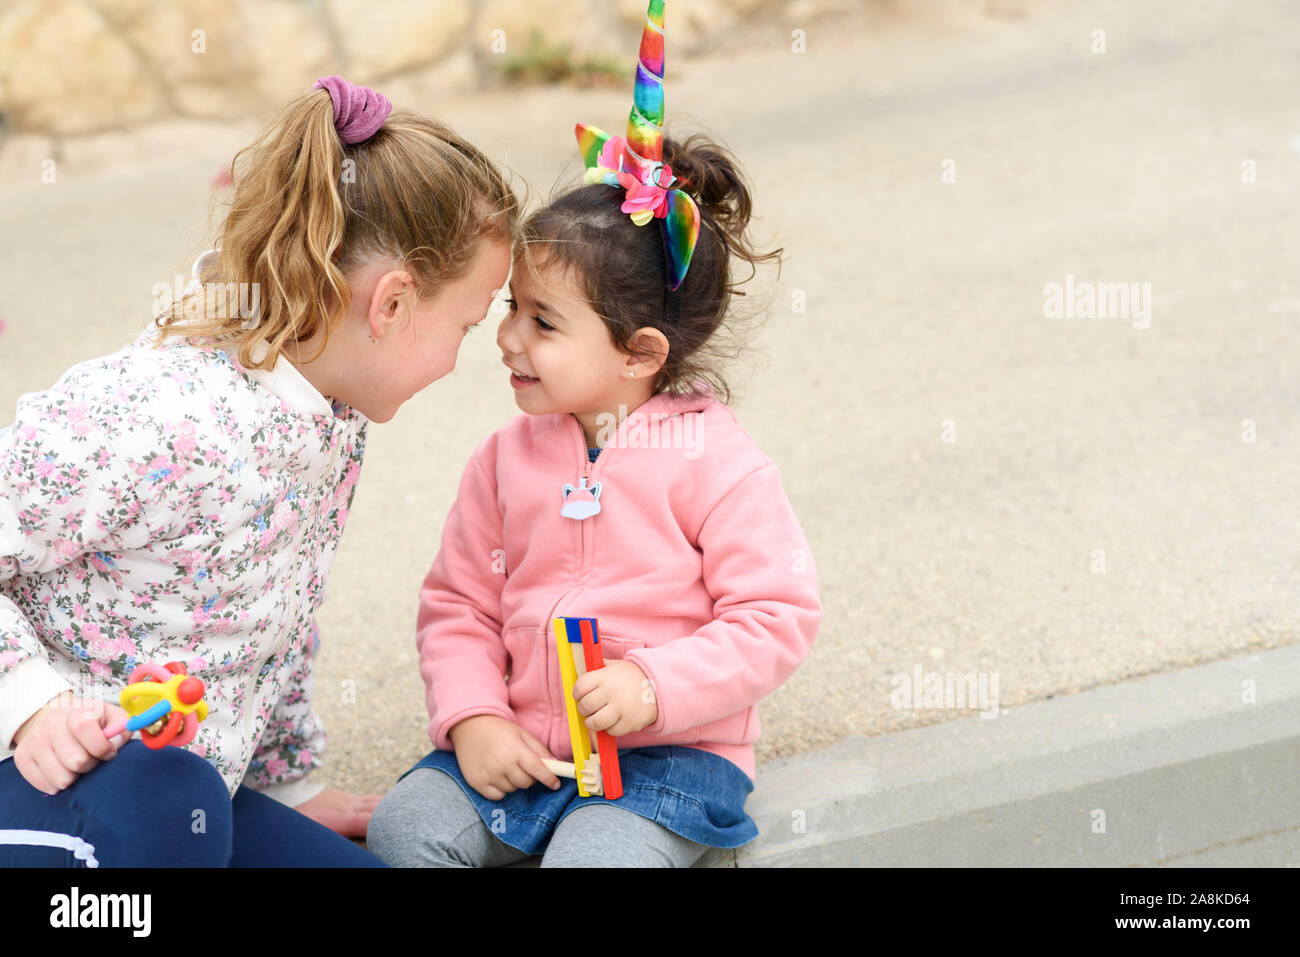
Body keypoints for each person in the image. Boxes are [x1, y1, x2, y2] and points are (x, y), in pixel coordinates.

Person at [0, 75, 517, 867]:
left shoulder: (330, 416)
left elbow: (272, 616)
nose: (466, 353)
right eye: (468, 324)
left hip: (185, 793)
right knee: (172, 799)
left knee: (201, 805)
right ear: (391, 304)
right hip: (43, 773)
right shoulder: (153, 414)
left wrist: (288, 782)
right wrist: (31, 704)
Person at [367, 3, 822, 867]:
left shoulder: (716, 462)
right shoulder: (504, 459)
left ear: (639, 352)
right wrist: (475, 717)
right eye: (512, 307)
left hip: (669, 754)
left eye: (543, 321)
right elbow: (459, 604)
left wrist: (655, 685)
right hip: (522, 749)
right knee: (403, 826)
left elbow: (776, 614)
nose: (507, 337)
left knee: (596, 857)